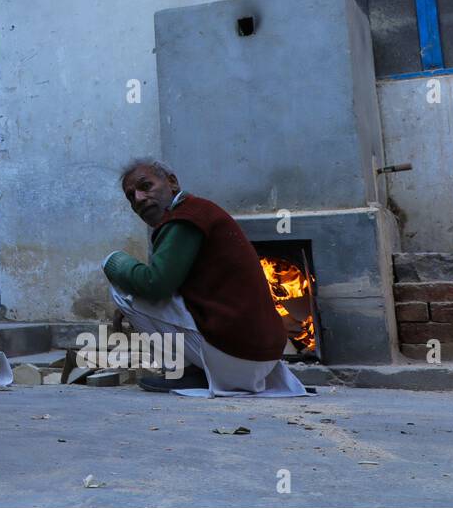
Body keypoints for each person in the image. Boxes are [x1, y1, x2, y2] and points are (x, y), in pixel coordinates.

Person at [102, 158, 309, 397]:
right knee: (136, 287)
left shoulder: (186, 218)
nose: (138, 199)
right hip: (263, 358)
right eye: (130, 196)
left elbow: (155, 284)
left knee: (119, 286)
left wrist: (112, 261)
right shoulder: (199, 211)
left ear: (172, 182)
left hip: (240, 357)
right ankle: (200, 370)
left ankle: (185, 373)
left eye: (145, 186)